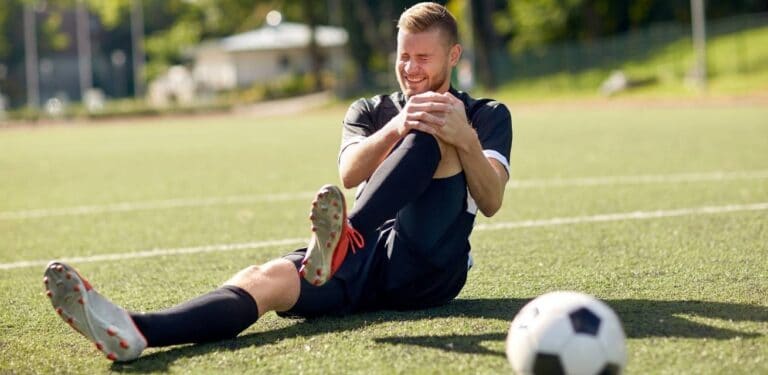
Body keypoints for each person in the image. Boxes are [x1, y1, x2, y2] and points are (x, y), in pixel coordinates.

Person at [43, 2, 512, 362]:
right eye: (403, 56)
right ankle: (136, 330)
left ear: (453, 55)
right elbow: (350, 173)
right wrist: (397, 126)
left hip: (427, 263)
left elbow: (490, 201)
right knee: (265, 279)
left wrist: (464, 138)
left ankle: (346, 238)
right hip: (361, 259)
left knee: (438, 133)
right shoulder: (369, 110)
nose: (410, 69)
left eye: (423, 58)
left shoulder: (488, 115)